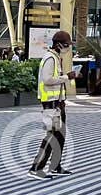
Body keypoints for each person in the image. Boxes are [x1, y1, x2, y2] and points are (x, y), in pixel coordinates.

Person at [30, 30, 71, 178]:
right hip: (50, 104)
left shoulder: (56, 57)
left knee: (60, 135)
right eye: (66, 45)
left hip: (58, 103)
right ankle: (36, 168)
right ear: (58, 45)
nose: (68, 48)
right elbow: (47, 79)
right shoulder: (50, 58)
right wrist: (66, 77)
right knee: (52, 135)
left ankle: (55, 166)